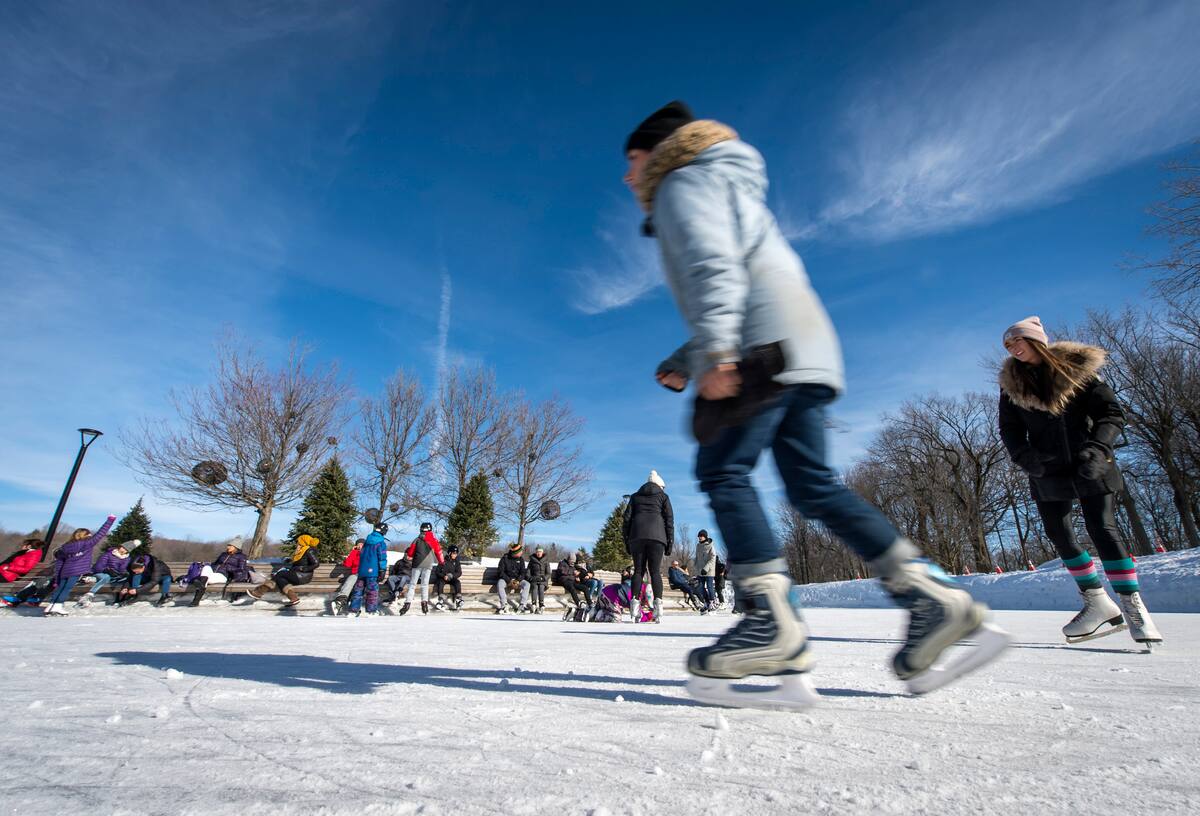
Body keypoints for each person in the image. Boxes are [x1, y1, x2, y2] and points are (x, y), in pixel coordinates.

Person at [623, 100, 1006, 706]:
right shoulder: (728, 180)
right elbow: (743, 273)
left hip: (760, 348)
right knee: (813, 486)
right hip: (805, 342)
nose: (628, 176)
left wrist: (719, 348)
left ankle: (770, 623)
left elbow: (711, 264)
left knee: (723, 469)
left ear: (660, 151)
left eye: (633, 160)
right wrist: (688, 357)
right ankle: (932, 599)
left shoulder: (681, 182)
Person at [998, 317, 1162, 646]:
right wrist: (1025, 457)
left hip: (1090, 462)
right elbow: (1010, 429)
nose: (1014, 348)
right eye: (1008, 345)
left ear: (1036, 341)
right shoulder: (1012, 386)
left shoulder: (1078, 371)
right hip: (1047, 469)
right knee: (1059, 534)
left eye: (1018, 341)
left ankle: (1134, 607)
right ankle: (1097, 601)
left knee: (1102, 528)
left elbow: (1111, 413)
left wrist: (1099, 448)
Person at [40, 515, 116, 616]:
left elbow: (60, 562)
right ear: (87, 535)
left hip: (65, 571)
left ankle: (51, 605)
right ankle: (58, 606)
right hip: (76, 571)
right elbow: (100, 534)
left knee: (61, 587)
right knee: (66, 589)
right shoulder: (87, 544)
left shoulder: (66, 546)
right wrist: (110, 520)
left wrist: (57, 576)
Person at [623, 470, 673, 623]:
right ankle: (658, 608)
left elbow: (626, 520)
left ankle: (635, 607)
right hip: (658, 537)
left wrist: (627, 541)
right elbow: (669, 521)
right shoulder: (663, 497)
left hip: (637, 536)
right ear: (660, 485)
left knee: (638, 571)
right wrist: (669, 542)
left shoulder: (635, 496)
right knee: (655, 572)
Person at [249, 534, 319, 607]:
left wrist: (303, 569)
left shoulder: (309, 551)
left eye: (299, 541)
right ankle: (293, 598)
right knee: (280, 579)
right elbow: (299, 563)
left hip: (303, 576)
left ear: (303, 542)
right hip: (298, 574)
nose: (297, 543)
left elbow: (316, 564)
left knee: (280, 574)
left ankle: (258, 592)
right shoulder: (301, 551)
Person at [187, 537, 251, 606]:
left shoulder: (241, 556)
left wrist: (228, 568)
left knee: (203, 580)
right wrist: (205, 564)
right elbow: (215, 563)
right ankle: (198, 592)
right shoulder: (223, 554)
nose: (228, 547)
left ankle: (196, 599)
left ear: (236, 547)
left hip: (223, 575)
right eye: (228, 545)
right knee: (206, 568)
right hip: (213, 573)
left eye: (230, 545)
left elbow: (241, 569)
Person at [402, 523, 444, 615]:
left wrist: (410, 555)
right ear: (430, 530)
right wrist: (441, 562)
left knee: (413, 584)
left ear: (421, 530)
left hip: (417, 564)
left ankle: (407, 604)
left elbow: (410, 553)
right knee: (425, 585)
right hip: (428, 564)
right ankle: (424, 604)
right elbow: (439, 552)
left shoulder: (416, 540)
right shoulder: (434, 540)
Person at [78, 540, 135, 606]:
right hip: (101, 573)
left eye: (126, 550)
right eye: (123, 548)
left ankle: (92, 579)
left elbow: (122, 570)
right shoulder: (108, 554)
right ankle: (89, 594)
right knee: (106, 577)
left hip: (114, 577)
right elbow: (98, 567)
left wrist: (123, 572)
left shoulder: (127, 558)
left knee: (123, 579)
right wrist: (106, 570)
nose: (123, 550)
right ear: (120, 546)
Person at [347, 531, 388, 616]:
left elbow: (361, 556)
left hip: (362, 571)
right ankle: (371, 611)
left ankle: (353, 610)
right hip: (373, 571)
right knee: (372, 591)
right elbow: (382, 557)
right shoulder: (380, 542)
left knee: (358, 590)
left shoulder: (366, 543)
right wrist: (382, 570)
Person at [332, 538, 366, 614]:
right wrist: (353, 552)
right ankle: (340, 600)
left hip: (364, 575)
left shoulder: (367, 553)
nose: (360, 546)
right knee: (352, 579)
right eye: (358, 544)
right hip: (355, 575)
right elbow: (347, 564)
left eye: (362, 544)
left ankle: (354, 605)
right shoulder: (354, 553)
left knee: (356, 582)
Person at [494, 543, 530, 614]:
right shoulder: (505, 558)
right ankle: (504, 605)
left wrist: (518, 580)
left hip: (517, 581)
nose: (521, 552)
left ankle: (522, 605)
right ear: (515, 553)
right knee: (500, 584)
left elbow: (523, 572)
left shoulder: (521, 559)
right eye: (520, 552)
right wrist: (509, 580)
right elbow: (500, 572)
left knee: (527, 584)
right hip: (506, 580)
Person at [694, 530, 717, 612]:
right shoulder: (698, 546)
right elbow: (696, 558)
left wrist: (706, 568)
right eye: (699, 536)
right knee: (700, 587)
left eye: (701, 536)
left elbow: (713, 558)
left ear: (705, 536)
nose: (699, 537)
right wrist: (695, 568)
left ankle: (712, 603)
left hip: (709, 571)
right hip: (700, 571)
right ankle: (707, 603)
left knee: (710, 587)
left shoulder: (710, 545)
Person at [526, 546, 551, 614]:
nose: (538, 553)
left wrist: (544, 578)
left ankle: (541, 604)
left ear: (542, 552)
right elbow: (528, 572)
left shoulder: (546, 561)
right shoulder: (532, 561)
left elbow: (548, 573)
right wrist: (531, 578)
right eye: (537, 552)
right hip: (534, 579)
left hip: (543, 580)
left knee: (541, 587)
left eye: (540, 552)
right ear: (536, 552)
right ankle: (533, 604)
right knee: (534, 587)